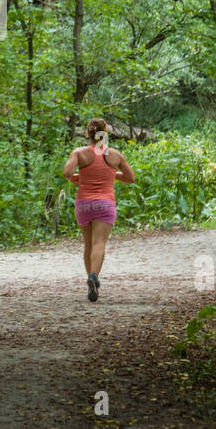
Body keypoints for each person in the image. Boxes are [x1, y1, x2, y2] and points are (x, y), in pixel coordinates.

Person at [63, 117, 136, 301]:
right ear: (105, 133)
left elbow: (67, 173)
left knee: (88, 244)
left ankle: (90, 279)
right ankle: (94, 276)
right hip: (105, 204)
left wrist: (78, 176)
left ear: (88, 133)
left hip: (84, 204)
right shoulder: (115, 155)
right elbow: (130, 178)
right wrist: (112, 174)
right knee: (99, 243)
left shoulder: (79, 153)